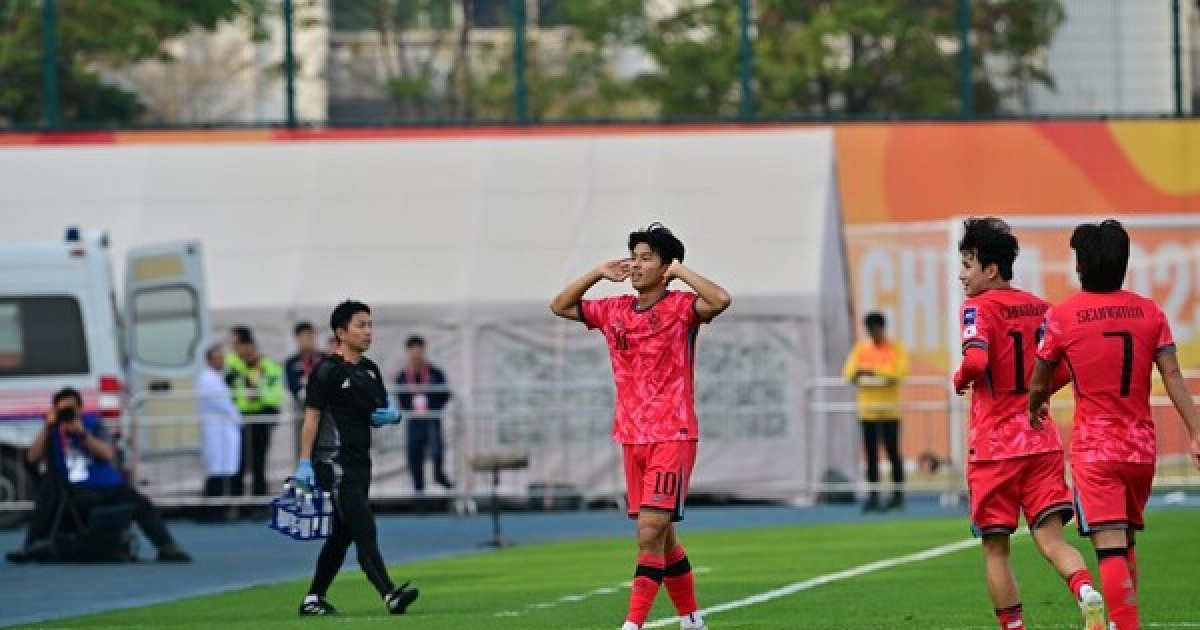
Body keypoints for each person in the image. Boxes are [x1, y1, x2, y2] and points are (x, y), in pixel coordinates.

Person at [550, 223, 731, 630]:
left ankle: (632, 625)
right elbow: (559, 305)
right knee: (662, 537)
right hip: (631, 438)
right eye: (634, 256)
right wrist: (598, 272)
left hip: (674, 433)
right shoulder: (613, 310)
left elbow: (720, 300)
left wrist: (681, 272)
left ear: (665, 266)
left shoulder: (683, 307)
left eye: (647, 257)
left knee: (649, 530)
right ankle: (691, 619)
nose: (636, 265)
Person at [1029, 219, 1200, 630]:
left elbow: (1039, 379)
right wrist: (1197, 431)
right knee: (1125, 542)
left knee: (1109, 549)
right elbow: (1173, 376)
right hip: (1141, 449)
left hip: (1096, 449)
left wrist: (1036, 404)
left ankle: (1124, 625)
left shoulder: (1064, 316)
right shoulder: (1150, 312)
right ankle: (1123, 621)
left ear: (1080, 265)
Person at [951, 217, 1105, 630]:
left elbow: (977, 360)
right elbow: (1067, 366)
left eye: (967, 264)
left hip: (994, 450)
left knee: (996, 549)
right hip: (1040, 442)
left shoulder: (976, 309)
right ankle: (1086, 591)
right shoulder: (1042, 309)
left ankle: (1014, 627)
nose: (961, 275)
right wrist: (1038, 397)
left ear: (991, 270)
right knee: (1052, 540)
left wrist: (960, 379)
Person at [294, 300, 418, 616]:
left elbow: (377, 411)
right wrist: (305, 463)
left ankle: (312, 599)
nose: (368, 331)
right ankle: (390, 595)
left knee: (342, 535)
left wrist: (393, 416)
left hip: (361, 460)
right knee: (364, 528)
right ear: (341, 331)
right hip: (333, 463)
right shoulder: (326, 371)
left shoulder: (369, 369)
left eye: (370, 325)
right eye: (361, 325)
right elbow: (311, 419)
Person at [6, 388, 191, 563]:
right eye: (63, 409)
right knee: (68, 501)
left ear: (79, 408)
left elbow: (107, 454)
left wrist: (82, 435)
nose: (68, 414)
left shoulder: (93, 425)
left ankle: (166, 546)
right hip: (75, 487)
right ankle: (38, 546)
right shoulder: (52, 430)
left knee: (141, 503)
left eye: (71, 408)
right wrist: (47, 427)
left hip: (108, 484)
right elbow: (32, 458)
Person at [841, 311, 908, 511]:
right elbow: (848, 373)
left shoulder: (895, 348)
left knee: (893, 453)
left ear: (882, 328)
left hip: (889, 410)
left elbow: (900, 372)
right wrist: (861, 373)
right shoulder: (861, 349)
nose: (873, 332)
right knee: (871, 456)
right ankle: (873, 496)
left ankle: (897, 495)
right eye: (870, 329)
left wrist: (872, 371)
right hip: (868, 410)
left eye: (876, 328)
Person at [225, 326, 285, 497]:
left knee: (258, 461)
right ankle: (236, 500)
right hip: (238, 419)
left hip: (261, 418)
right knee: (238, 462)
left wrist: (258, 393)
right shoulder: (232, 364)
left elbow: (274, 395)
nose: (244, 352)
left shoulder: (269, 366)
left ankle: (258, 500)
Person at [395, 335, 454, 494]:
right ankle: (419, 492)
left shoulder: (435, 372)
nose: (416, 354)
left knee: (437, 450)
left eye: (419, 351)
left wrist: (433, 404)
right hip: (414, 420)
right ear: (408, 352)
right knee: (415, 455)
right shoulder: (402, 376)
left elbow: (445, 394)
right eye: (412, 351)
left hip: (432, 418)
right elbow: (400, 398)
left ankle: (439, 475)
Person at [285, 321, 327, 408]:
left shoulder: (325, 359)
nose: (308, 341)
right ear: (297, 339)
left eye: (310, 337)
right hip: (301, 405)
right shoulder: (291, 362)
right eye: (304, 338)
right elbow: (292, 385)